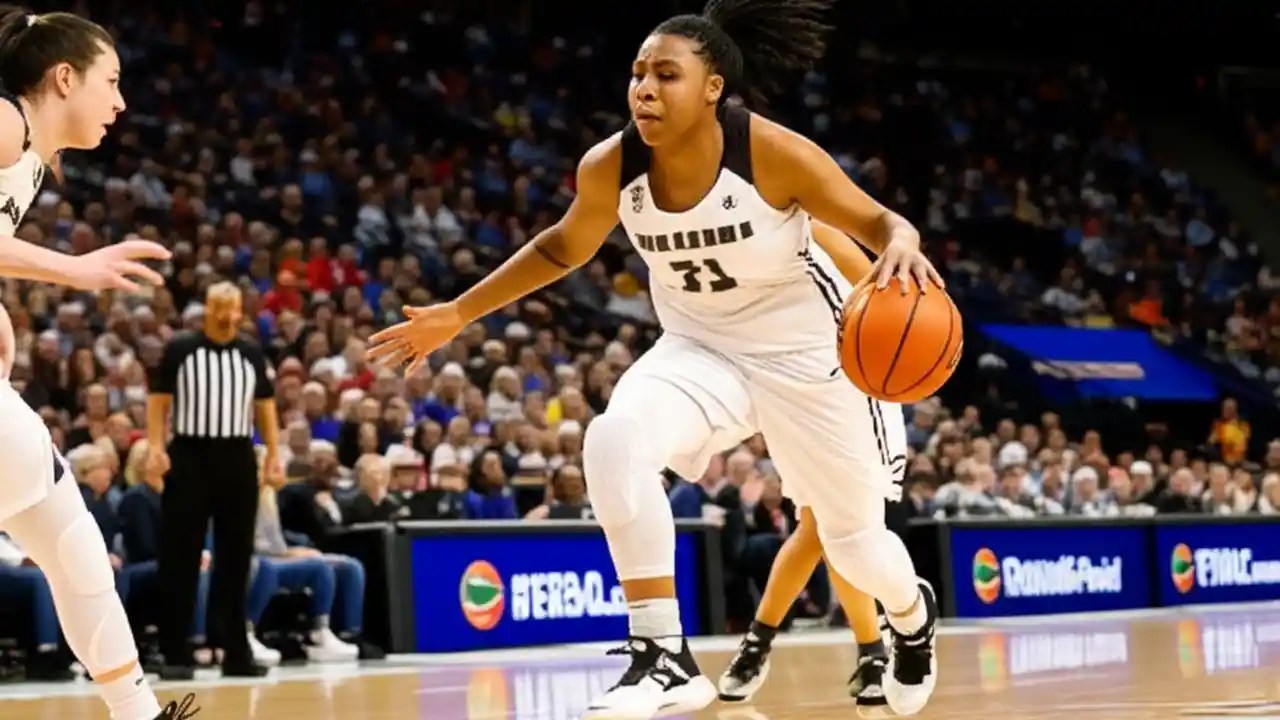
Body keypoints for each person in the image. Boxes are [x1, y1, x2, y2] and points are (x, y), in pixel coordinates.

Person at [368, 0, 938, 717]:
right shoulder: (611, 166)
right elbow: (560, 247)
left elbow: (880, 222)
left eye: (666, 73)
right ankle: (662, 654)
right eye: (638, 73)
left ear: (713, 88)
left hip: (808, 357)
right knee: (613, 440)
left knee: (855, 548)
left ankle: (911, 619)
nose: (643, 87)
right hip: (702, 348)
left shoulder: (773, 153)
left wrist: (903, 242)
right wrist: (459, 312)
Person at [0, 6, 194, 719]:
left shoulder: (28, 157)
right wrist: (74, 270)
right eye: (109, 81)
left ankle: (136, 710)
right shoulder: (6, 122)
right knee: (65, 534)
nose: (119, 101)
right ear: (62, 78)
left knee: (67, 536)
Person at [718, 221, 895, 716]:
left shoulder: (814, 231)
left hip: (846, 390)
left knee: (837, 528)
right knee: (817, 526)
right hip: (787, 393)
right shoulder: (736, 243)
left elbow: (878, 298)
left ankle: (768, 645)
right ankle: (867, 651)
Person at [146, 282, 281, 679]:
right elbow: (159, 402)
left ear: (241, 310)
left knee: (236, 557)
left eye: (232, 306)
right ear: (206, 309)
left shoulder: (252, 352)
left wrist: (274, 452)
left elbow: (265, 406)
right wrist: (156, 445)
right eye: (218, 305)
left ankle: (235, 651)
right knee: (180, 556)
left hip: (238, 456)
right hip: (189, 455)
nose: (225, 313)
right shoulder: (180, 348)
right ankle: (175, 652)